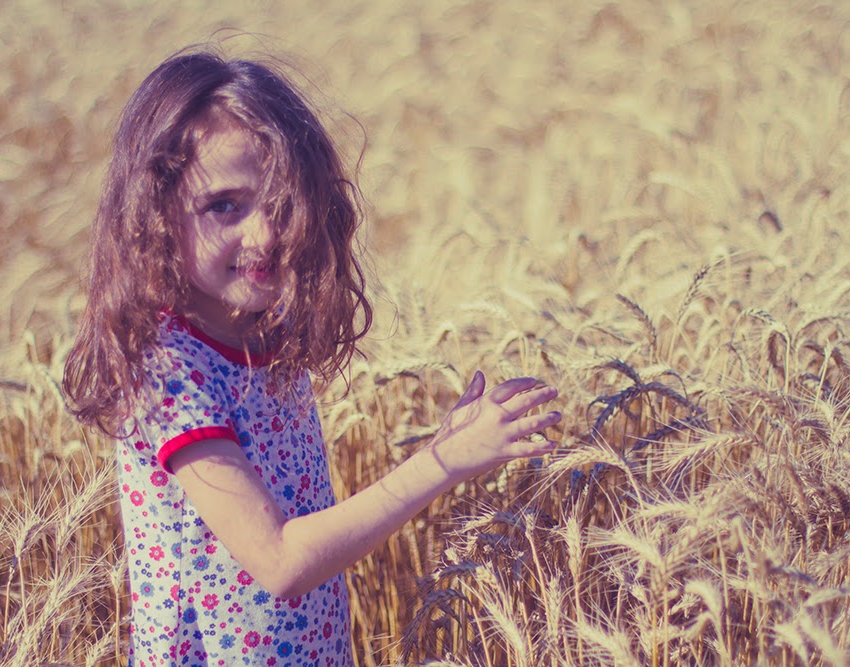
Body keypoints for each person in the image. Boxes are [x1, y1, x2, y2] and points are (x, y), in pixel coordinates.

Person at [62, 45, 562, 667]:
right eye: (224, 206)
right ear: (155, 214)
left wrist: (446, 440)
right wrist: (443, 462)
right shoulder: (167, 370)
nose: (264, 234)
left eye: (279, 201)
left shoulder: (266, 333)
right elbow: (281, 561)